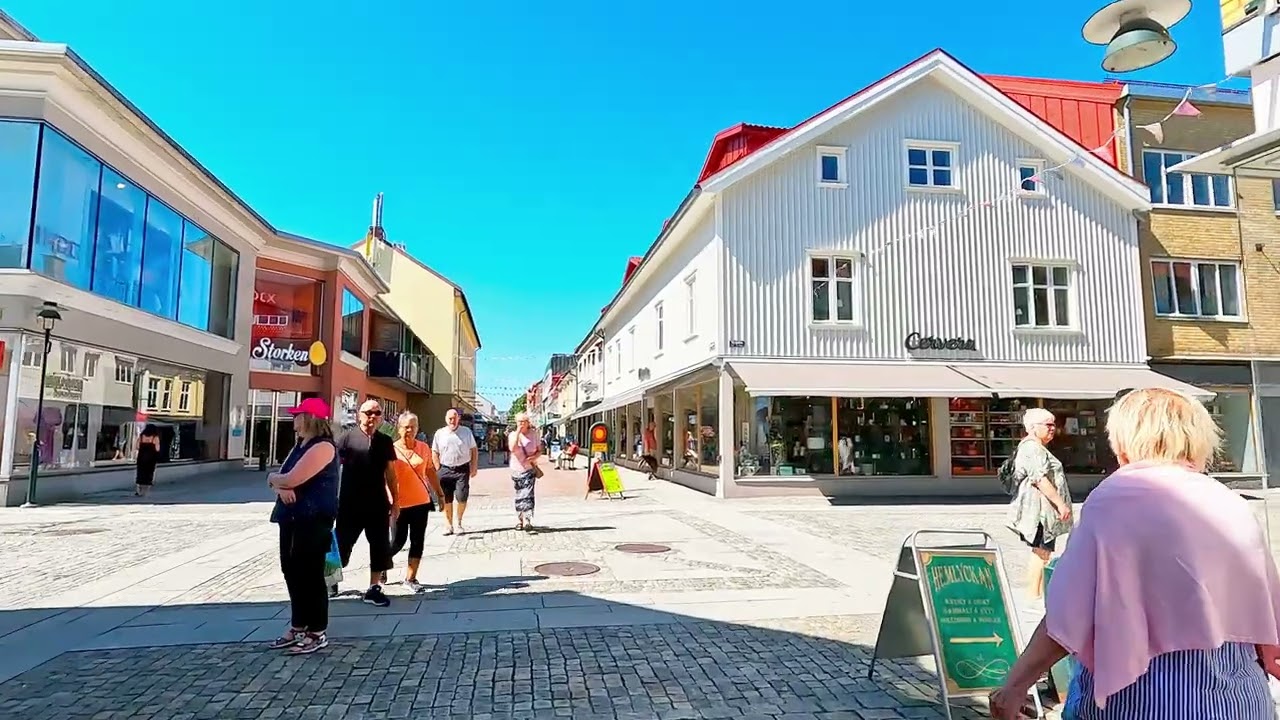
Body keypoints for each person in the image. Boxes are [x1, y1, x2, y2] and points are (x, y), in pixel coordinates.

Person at [988, 388, 1280, 719]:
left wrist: (1015, 686)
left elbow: (1068, 616)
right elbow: (1264, 608)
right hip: (1238, 700)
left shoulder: (1115, 499)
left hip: (1142, 699)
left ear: (1124, 441)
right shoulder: (1231, 502)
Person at [265, 398, 339, 655]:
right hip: (291, 517)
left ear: (309, 418)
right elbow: (284, 478)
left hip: (313, 518)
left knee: (310, 575)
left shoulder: (322, 447)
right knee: (291, 571)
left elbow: (293, 477)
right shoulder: (300, 444)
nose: (293, 419)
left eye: (298, 415)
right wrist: (278, 482)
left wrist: (276, 480)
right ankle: (298, 625)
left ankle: (317, 631)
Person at [333, 399, 397, 607]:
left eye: (377, 413)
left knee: (379, 545)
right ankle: (331, 581)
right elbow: (331, 469)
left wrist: (395, 500)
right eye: (368, 412)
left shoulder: (385, 441)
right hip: (349, 502)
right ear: (359, 414)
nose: (372, 417)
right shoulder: (345, 439)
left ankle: (374, 587)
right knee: (341, 543)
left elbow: (390, 473)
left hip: (377, 502)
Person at [1006, 407, 1072, 602]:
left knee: (1042, 550)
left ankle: (1036, 593)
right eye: (1048, 425)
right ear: (1033, 428)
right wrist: (1061, 504)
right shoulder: (1033, 448)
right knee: (1042, 551)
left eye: (1053, 424)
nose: (1052, 428)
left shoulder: (1035, 447)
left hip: (1041, 509)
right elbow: (1040, 479)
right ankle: (1033, 595)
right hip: (1039, 511)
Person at [389, 412, 443, 592]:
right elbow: (384, 478)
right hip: (399, 504)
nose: (409, 430)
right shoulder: (392, 449)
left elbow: (430, 471)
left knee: (417, 540)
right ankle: (381, 563)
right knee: (398, 541)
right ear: (399, 428)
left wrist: (440, 494)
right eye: (406, 427)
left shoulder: (423, 448)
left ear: (418, 428)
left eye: (413, 426)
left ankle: (410, 578)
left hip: (421, 501)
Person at [432, 408, 478, 535]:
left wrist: (474, 466)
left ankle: (459, 522)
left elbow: (474, 450)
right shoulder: (439, 433)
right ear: (446, 419)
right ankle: (448, 525)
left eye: (455, 418)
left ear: (459, 419)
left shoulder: (466, 432)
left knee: (462, 497)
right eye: (450, 418)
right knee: (447, 498)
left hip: (462, 469)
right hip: (445, 469)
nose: (452, 421)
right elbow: (434, 451)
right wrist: (438, 468)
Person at [509, 412, 542, 531]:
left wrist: (534, 457)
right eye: (519, 422)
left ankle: (528, 520)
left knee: (528, 494)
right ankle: (520, 520)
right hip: (516, 469)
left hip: (529, 469)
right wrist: (518, 432)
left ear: (528, 423)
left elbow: (539, 450)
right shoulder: (513, 435)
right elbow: (512, 448)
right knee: (519, 495)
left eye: (524, 421)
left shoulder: (534, 434)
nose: (521, 424)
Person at [134, 424, 161, 496]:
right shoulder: (155, 437)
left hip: (141, 457)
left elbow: (137, 447)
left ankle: (139, 490)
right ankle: (145, 492)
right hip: (151, 459)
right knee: (149, 474)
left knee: (140, 473)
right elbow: (157, 449)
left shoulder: (141, 436)